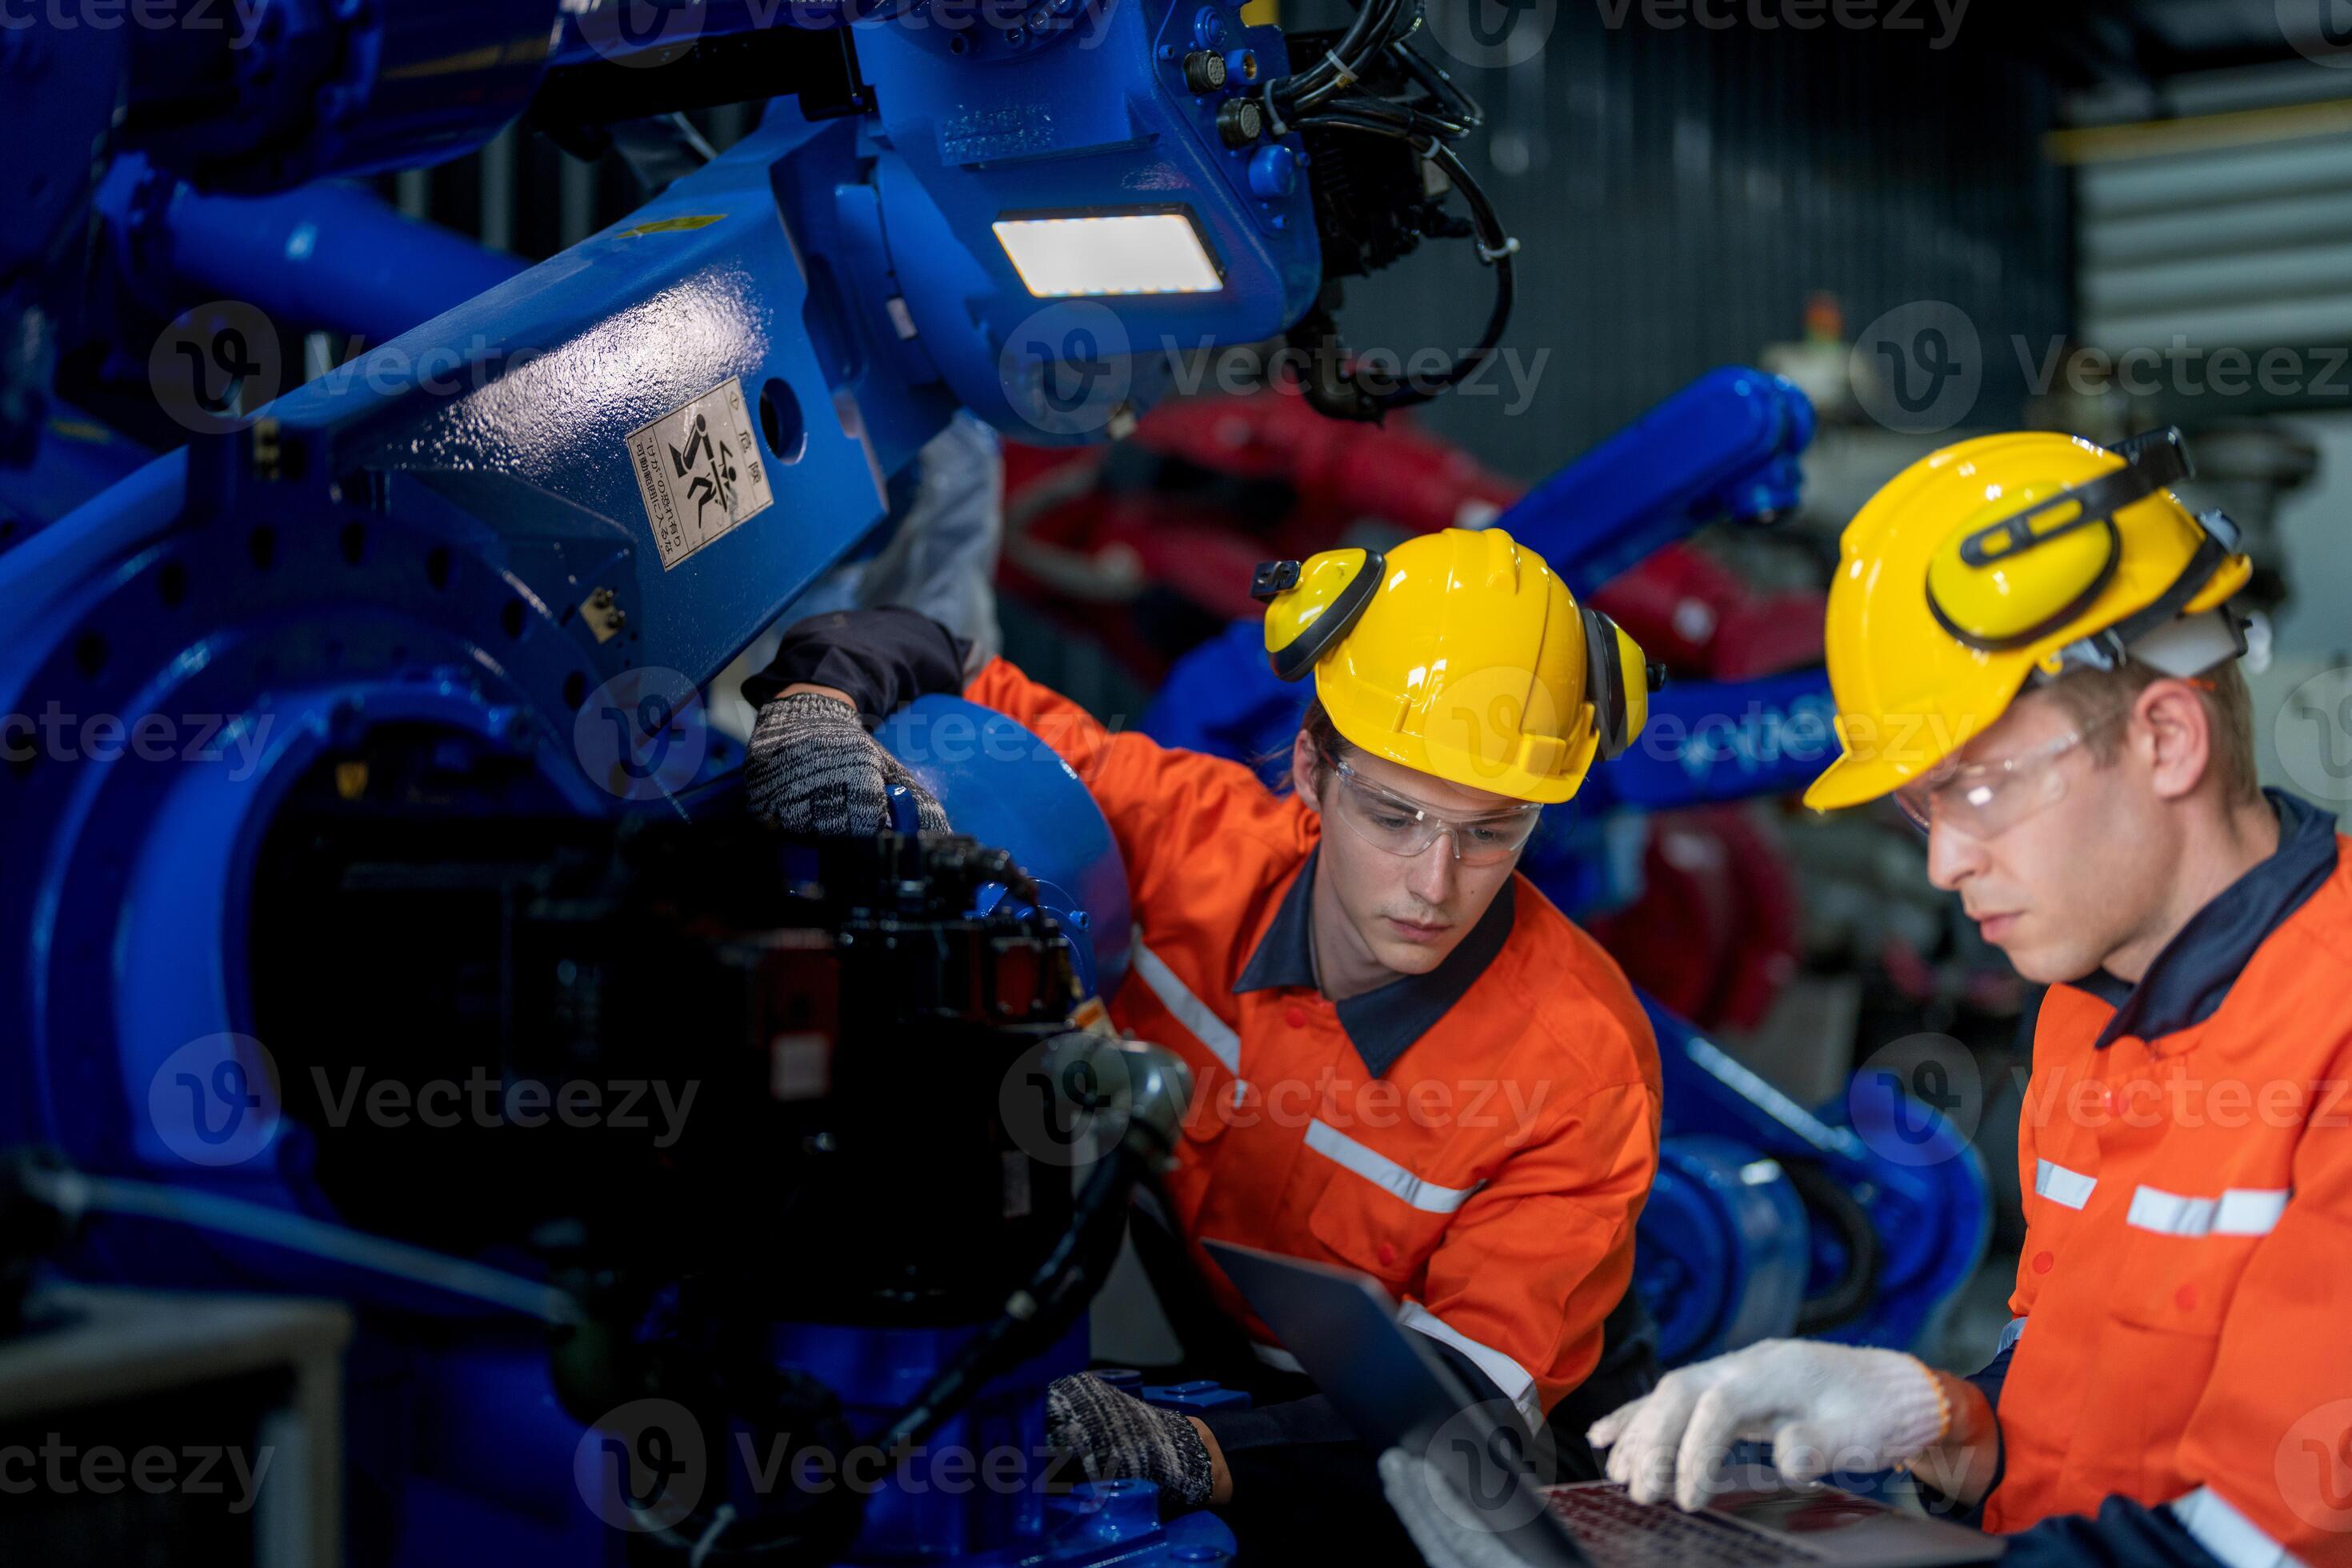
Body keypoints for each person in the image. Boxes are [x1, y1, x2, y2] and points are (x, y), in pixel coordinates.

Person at [741, 526, 1666, 1554]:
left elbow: (1452, 1432)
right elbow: (923, 649)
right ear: (1312, 770)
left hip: (1506, 1467)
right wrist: (816, 710)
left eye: (1491, 830)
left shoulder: (1580, 1068)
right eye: (1395, 814)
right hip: (1237, 1380)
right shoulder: (1187, 842)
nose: (1434, 881)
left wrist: (1189, 1451)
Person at [1585, 430, 2352, 1568]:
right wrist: (1941, 1418)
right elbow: (2085, 1430)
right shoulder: (2093, 1009)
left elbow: (2261, 1545)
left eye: (1979, 787)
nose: (1944, 863)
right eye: (1920, 806)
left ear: (2168, 739)